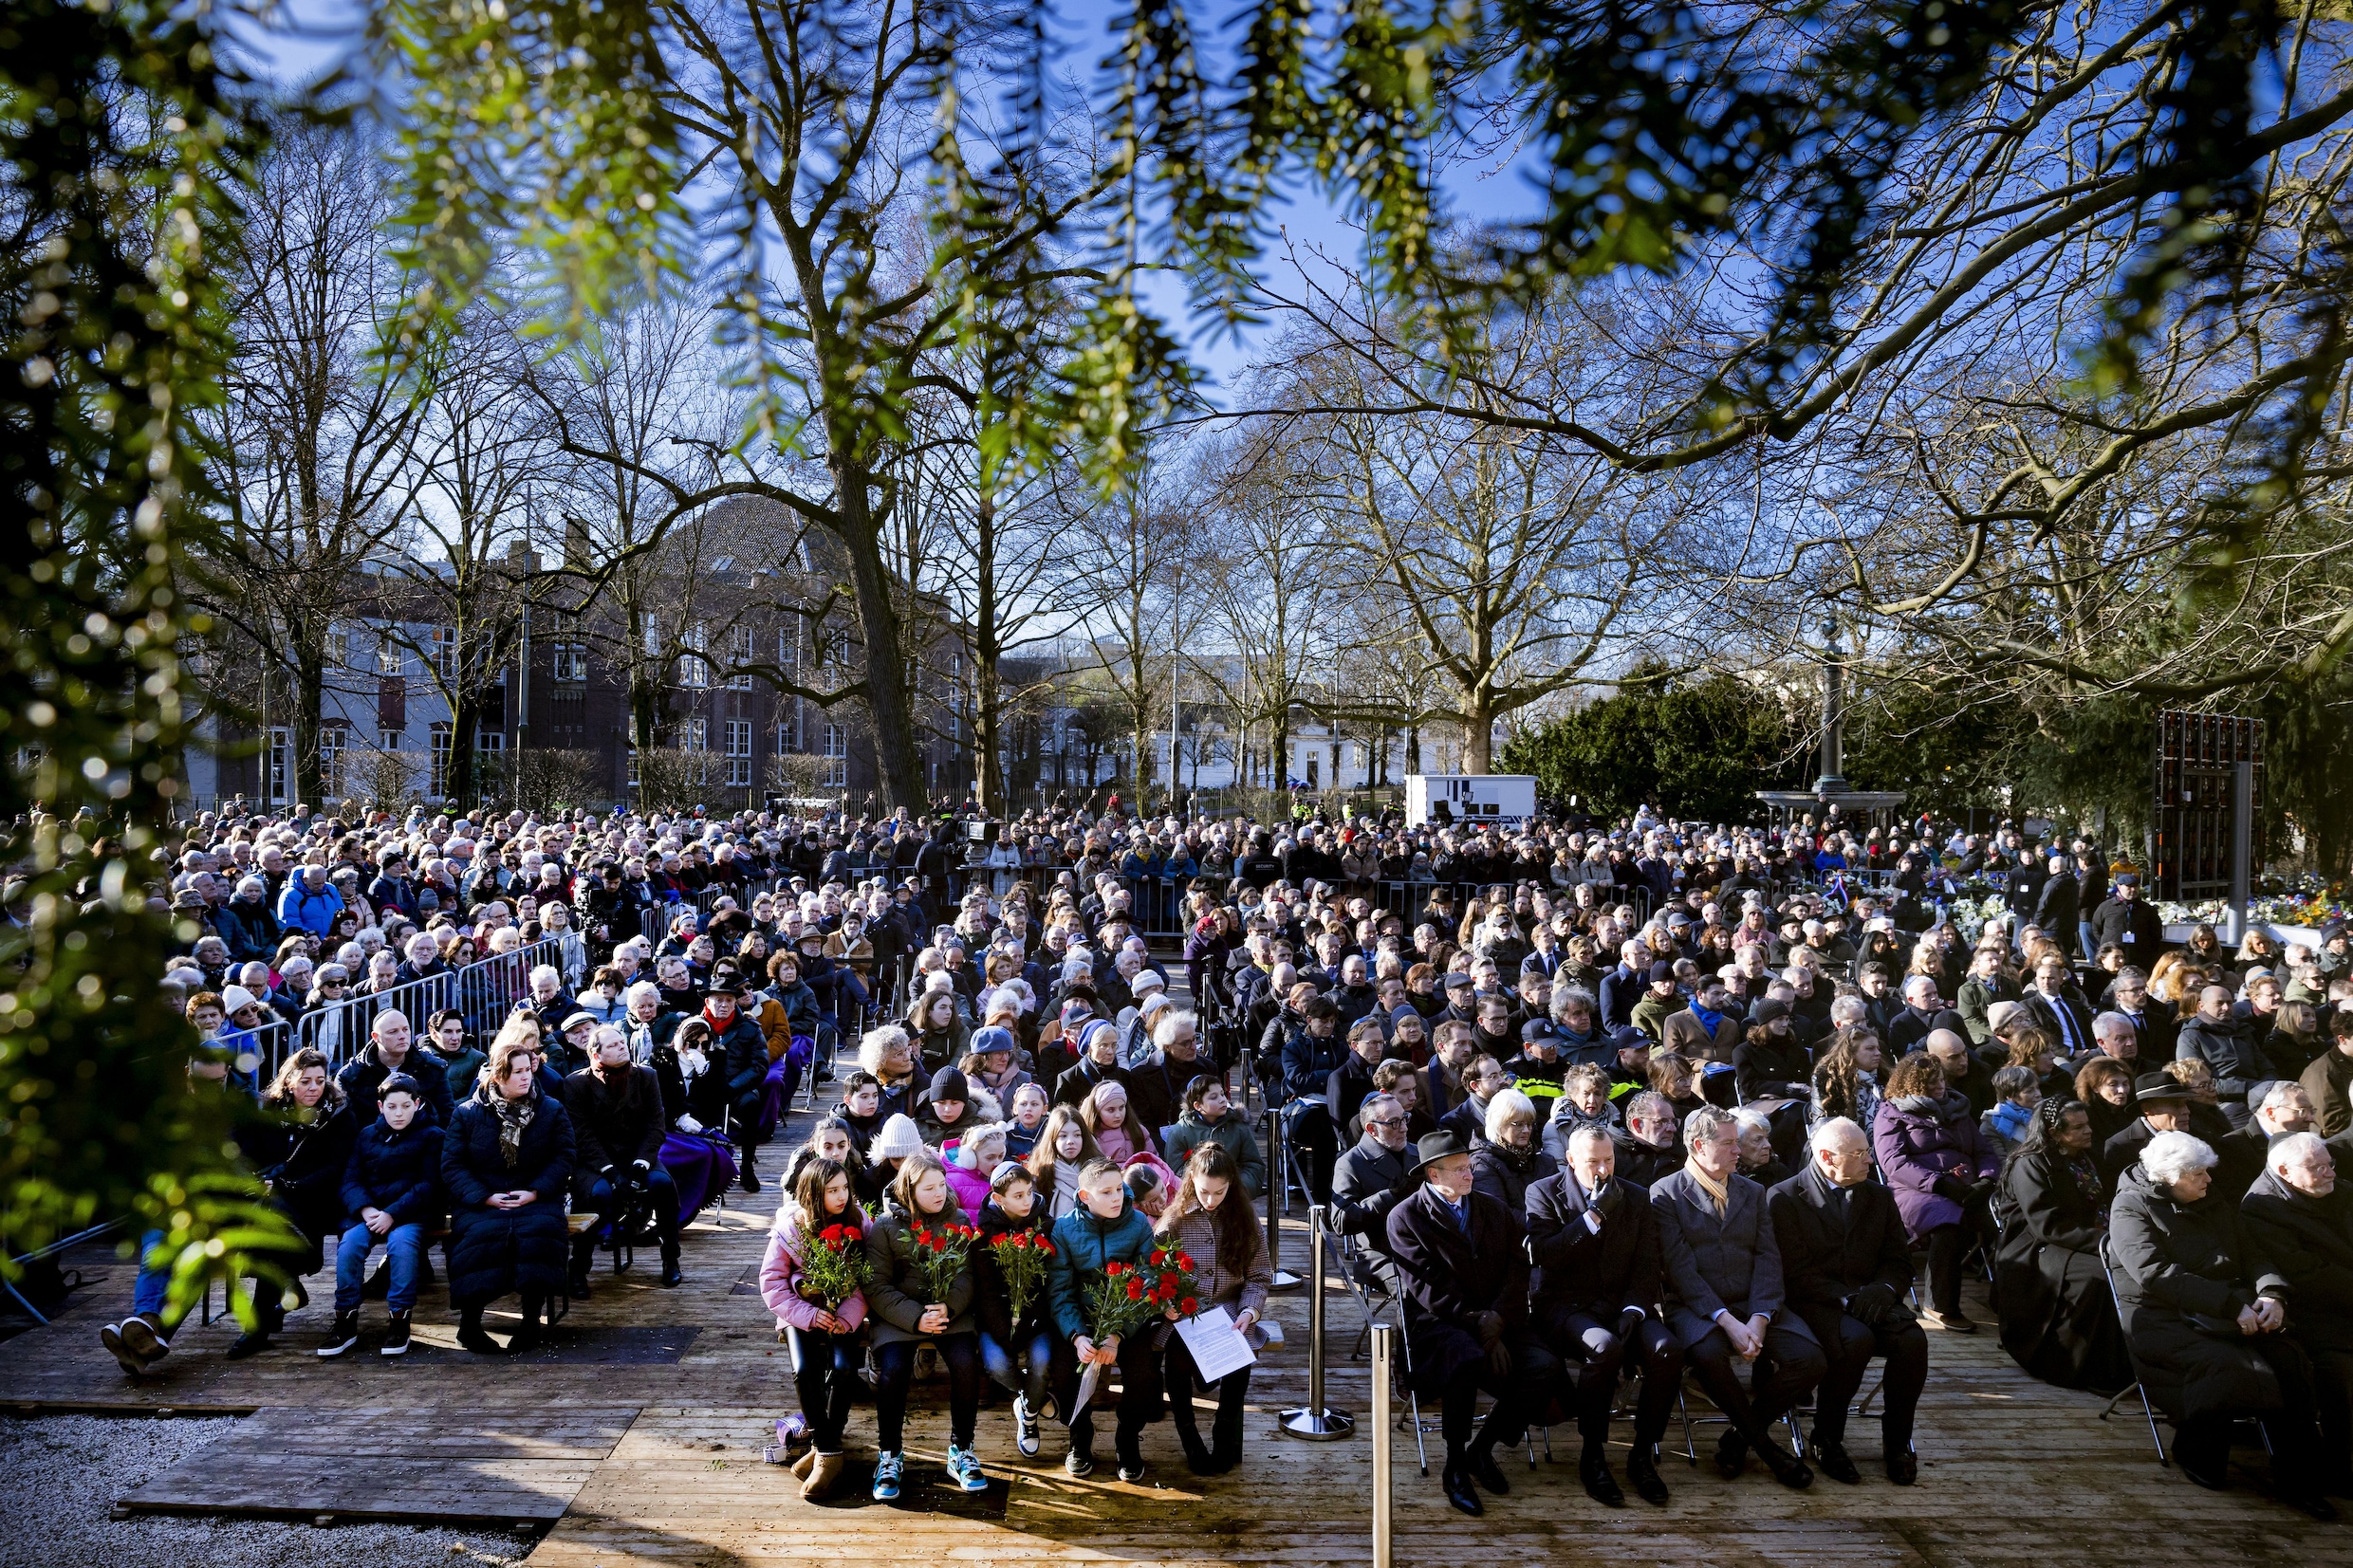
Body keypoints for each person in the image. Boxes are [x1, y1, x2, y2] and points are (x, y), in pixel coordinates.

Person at [2109, 1131, 2334, 1516]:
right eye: (2198, 1174)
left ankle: (2301, 1480)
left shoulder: (2210, 1198)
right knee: (2227, 1366)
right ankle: (2199, 1453)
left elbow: (2252, 1252)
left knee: (2289, 1362)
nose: (2208, 1179)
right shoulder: (2131, 1206)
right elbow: (2154, 1274)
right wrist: (2230, 1305)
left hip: (2231, 1307)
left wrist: (2272, 1293)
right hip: (2165, 1315)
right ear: (2170, 1178)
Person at [1385, 1130, 1559, 1516]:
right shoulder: (1406, 1217)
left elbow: (1517, 1267)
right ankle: (1454, 1465)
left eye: (1469, 1167)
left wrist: (1498, 1318)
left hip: (1500, 1315)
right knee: (1464, 1359)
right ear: (1434, 1175)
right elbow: (1428, 1286)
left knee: (1544, 1366)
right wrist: (1480, 1325)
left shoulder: (1492, 1208)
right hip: (1441, 1322)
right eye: (1460, 1170)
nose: (1470, 1175)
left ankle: (1481, 1449)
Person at [1649, 1105, 1824, 1489]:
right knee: (1708, 1356)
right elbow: (1680, 1270)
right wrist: (1727, 1321)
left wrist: (1759, 1317)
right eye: (1729, 1143)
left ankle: (1739, 1437)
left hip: (1753, 1301)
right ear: (1699, 1146)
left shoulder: (1752, 1191)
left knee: (1810, 1359)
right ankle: (1769, 1450)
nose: (1738, 1151)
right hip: (1696, 1307)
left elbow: (1768, 1256)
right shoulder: (1666, 1193)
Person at [1767, 1118, 1927, 1485]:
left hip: (1873, 1298)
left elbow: (1899, 1262)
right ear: (1826, 1157)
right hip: (1816, 1302)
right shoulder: (1785, 1197)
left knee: (1913, 1341)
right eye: (1859, 1153)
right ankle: (1827, 1437)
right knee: (1856, 1340)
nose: (1870, 1160)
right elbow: (1794, 1272)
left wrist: (1885, 1289)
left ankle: (1897, 1442)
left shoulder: (1879, 1196)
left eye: (1867, 1151)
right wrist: (1846, 1297)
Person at [1526, 1124, 1678, 1506]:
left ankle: (1642, 1454)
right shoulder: (1543, 1192)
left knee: (1667, 1350)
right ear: (1571, 1159)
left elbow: (1647, 1264)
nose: (1603, 1170)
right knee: (1605, 1348)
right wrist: (1593, 1216)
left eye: (1608, 1160)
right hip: (1567, 1306)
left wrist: (1634, 1309)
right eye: (1593, 1162)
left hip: (1622, 1305)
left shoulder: (1636, 1196)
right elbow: (1546, 1256)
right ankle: (1592, 1454)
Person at [862, 1149, 991, 1498]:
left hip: (949, 1312)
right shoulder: (886, 1226)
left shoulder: (958, 1219)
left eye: (942, 1186)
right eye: (928, 1188)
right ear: (909, 1190)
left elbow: (966, 1275)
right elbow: (876, 1284)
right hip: (899, 1315)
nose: (938, 1194)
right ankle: (890, 1454)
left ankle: (961, 1449)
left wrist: (948, 1306)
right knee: (893, 1371)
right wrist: (916, 1317)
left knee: (966, 1365)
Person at [442, 1024, 577, 1355]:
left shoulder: (550, 1110)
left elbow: (564, 1156)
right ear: (499, 1076)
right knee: (478, 1238)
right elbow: (453, 1165)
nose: (526, 1077)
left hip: (535, 1196)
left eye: (527, 1069)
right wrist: (485, 1197)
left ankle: (531, 1321)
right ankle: (469, 1325)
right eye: (516, 1072)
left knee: (539, 1232)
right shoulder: (467, 1114)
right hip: (484, 1198)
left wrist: (536, 1192)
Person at [2238, 1132, 2353, 1499]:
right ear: (2285, 1171)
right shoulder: (2263, 1207)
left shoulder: (2339, 1190)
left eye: (2330, 1164)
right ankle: (2342, 1468)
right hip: (2311, 1313)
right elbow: (2306, 1274)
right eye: (2317, 1167)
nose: (2329, 1173)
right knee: (2341, 1373)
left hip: (2342, 1303)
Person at [227, 1047, 361, 1359]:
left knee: (272, 1222)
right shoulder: (269, 1112)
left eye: (320, 1081)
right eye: (305, 1081)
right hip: (273, 1196)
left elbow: (337, 1168)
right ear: (289, 1082)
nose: (314, 1088)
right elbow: (244, 1154)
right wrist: (259, 1180)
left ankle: (263, 1321)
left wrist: (290, 1185)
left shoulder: (338, 1114)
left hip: (319, 1197)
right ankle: (280, 1295)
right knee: (271, 1227)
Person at [1993, 1098, 2132, 1393]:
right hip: (2035, 1246)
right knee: (2099, 1277)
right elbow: (2047, 1224)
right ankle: (2080, 1367)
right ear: (2054, 1132)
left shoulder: (2087, 1158)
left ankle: (2125, 1364)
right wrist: (2105, 1242)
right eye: (2078, 1127)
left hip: (2083, 1237)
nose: (2088, 1131)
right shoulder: (2030, 1164)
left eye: (2088, 1124)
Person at [1156, 1143, 1273, 1474]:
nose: (1210, 1200)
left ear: (1230, 1185)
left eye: (1219, 1192)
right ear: (1191, 1180)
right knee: (1176, 1358)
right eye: (1204, 1191)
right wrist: (1166, 1304)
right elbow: (1154, 1272)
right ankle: (1189, 1435)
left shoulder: (1245, 1220)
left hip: (1229, 1308)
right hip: (1185, 1311)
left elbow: (1259, 1275)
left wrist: (1249, 1311)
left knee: (1240, 1357)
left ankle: (1224, 1431)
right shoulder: (1174, 1220)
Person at [1046, 1156, 1164, 1481]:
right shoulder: (1064, 1228)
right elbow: (1060, 1289)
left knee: (1143, 1376)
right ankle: (1079, 1437)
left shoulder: (1138, 1224)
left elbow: (1147, 1283)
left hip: (1128, 1318)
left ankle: (1127, 1438)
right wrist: (1077, 1336)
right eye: (1106, 1192)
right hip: (1081, 1317)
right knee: (1064, 1373)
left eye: (1119, 1190)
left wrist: (1117, 1334)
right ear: (1085, 1196)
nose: (1116, 1198)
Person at [760, 1156, 867, 1502]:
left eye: (844, 1188)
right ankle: (828, 1450)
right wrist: (808, 1313)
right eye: (832, 1190)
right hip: (801, 1313)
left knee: (845, 1367)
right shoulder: (791, 1229)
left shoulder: (858, 1221)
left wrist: (846, 1317)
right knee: (805, 1369)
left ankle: (824, 1448)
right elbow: (772, 1282)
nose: (841, 1196)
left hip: (844, 1314)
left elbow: (867, 1278)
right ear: (812, 1193)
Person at [1874, 1052, 1999, 1333]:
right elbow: (1894, 1162)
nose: (1939, 1086)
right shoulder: (1893, 1113)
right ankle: (1941, 1304)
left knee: (2006, 1221)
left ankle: (2007, 1298)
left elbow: (1984, 1151)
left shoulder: (1957, 1108)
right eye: (1931, 1082)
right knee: (1949, 1224)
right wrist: (1938, 1184)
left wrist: (1987, 1180)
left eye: (1941, 1079)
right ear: (1912, 1084)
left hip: (1967, 1184)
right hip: (1915, 1189)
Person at [320, 1072, 442, 1359]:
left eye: (406, 1106)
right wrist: (366, 1209)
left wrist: (391, 1213)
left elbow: (429, 1185)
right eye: (392, 1106)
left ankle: (399, 1320)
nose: (399, 1113)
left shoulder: (433, 1136)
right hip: (371, 1213)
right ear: (380, 1106)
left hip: (411, 1214)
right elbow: (351, 1179)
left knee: (402, 1246)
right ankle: (345, 1319)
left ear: (417, 1104)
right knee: (350, 1246)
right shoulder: (367, 1135)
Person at [566, 1024, 682, 1293]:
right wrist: (609, 1171)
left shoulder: (646, 1076)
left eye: (622, 1042)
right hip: (595, 1161)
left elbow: (656, 1126)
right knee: (597, 1195)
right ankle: (579, 1268)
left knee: (663, 1185)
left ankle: (671, 1259)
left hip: (637, 1157)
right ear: (596, 1055)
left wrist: (641, 1165)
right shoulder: (576, 1083)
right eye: (613, 1045)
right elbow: (582, 1134)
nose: (622, 1047)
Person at [973, 1157, 1057, 1460]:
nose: (1027, 1201)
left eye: (1029, 1193)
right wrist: (1004, 1330)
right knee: (997, 1364)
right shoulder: (983, 1233)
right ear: (998, 1199)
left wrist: (1030, 1323)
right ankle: (1033, 1397)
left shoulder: (1045, 1225)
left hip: (1036, 1319)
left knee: (1042, 1361)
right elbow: (984, 1292)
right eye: (1018, 1196)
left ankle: (1029, 1416)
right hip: (996, 1321)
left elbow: (1049, 1284)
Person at [1331, 1091, 1417, 1288]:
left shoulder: (1417, 1152)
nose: (1404, 1128)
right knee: (1414, 1292)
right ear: (1372, 1129)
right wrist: (1391, 1196)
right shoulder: (1351, 1162)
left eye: (1405, 1118)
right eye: (1394, 1123)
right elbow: (1340, 1221)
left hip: (1425, 1247)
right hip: (1382, 1255)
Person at [1159, 1075, 1266, 1196]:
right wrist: (1202, 1188)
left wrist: (1238, 1188)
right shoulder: (1180, 1131)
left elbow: (1253, 1165)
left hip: (1233, 1196)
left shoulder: (1238, 1128)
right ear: (1198, 1106)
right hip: (1194, 1198)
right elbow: (1175, 1171)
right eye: (1214, 1097)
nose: (1222, 1100)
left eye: (1222, 1094)